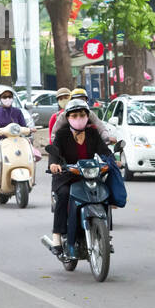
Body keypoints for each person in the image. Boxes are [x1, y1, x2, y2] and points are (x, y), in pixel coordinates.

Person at [45, 99, 111, 258]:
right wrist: (54, 164)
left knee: (104, 194)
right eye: (74, 115)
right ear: (68, 118)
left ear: (88, 116)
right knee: (64, 195)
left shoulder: (93, 133)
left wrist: (113, 160)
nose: (79, 118)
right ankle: (57, 237)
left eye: (82, 114)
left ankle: (104, 235)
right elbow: (54, 153)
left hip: (88, 175)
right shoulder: (62, 135)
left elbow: (104, 151)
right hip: (66, 175)